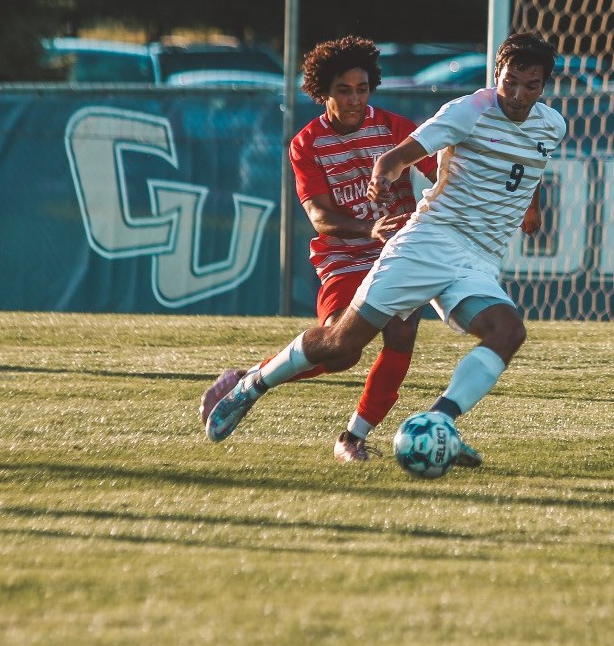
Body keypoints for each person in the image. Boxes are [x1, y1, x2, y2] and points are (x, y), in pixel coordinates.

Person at [204, 31, 564, 469]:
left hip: (480, 259)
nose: (519, 94)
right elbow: (396, 158)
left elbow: (529, 166)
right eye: (510, 82)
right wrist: (385, 170)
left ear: (544, 86)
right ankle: (253, 384)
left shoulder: (551, 125)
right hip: (427, 242)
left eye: (532, 86)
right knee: (341, 345)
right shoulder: (468, 110)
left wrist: (532, 205)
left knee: (508, 333)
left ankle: (436, 423)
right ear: (496, 75)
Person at [198, 36, 433, 462]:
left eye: (362, 89)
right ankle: (250, 380)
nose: (355, 99)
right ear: (323, 91)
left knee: (402, 330)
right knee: (341, 349)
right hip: (343, 257)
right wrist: (369, 228)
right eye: (344, 90)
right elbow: (321, 218)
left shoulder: (396, 129)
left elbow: (443, 169)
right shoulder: (307, 143)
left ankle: (353, 438)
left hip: (398, 253)